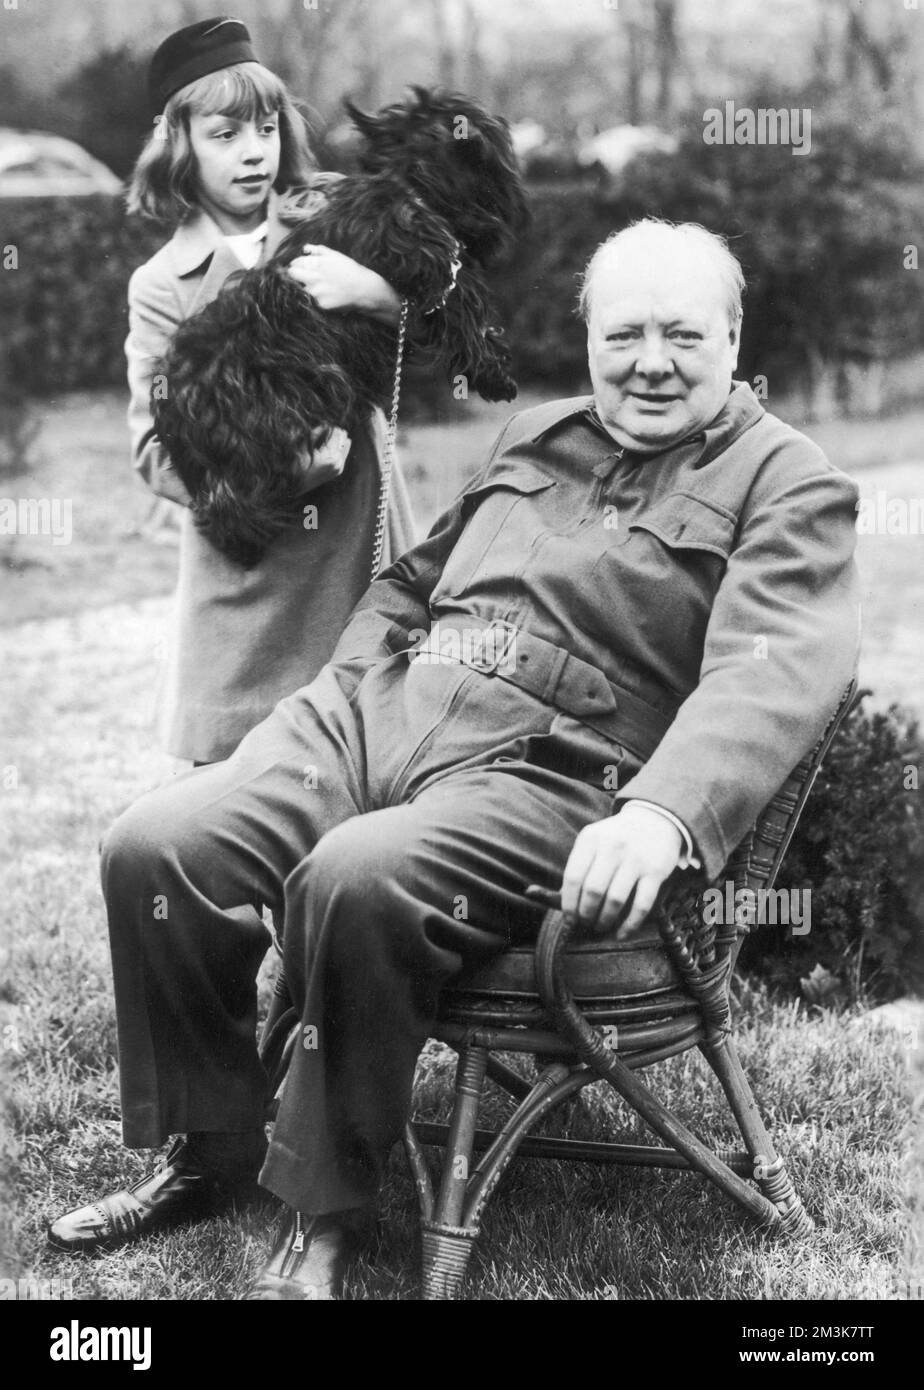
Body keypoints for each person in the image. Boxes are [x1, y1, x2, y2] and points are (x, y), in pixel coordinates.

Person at [49, 219, 860, 1299]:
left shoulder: (787, 481)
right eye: (625, 334)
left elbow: (776, 669)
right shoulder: (538, 435)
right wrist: (346, 682)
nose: (650, 361)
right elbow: (409, 582)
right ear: (587, 339)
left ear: (733, 336)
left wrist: (663, 813)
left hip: (554, 771)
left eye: (682, 334)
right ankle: (211, 1148)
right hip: (382, 709)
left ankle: (320, 1210)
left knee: (356, 873)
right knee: (155, 847)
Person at [125, 17, 416, 763]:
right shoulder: (162, 285)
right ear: (178, 144)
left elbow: (449, 314)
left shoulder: (334, 218)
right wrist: (287, 465)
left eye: (265, 127)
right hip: (251, 587)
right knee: (236, 803)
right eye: (225, 134)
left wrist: (378, 292)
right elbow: (156, 452)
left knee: (367, 773)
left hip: (360, 554)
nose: (255, 151)